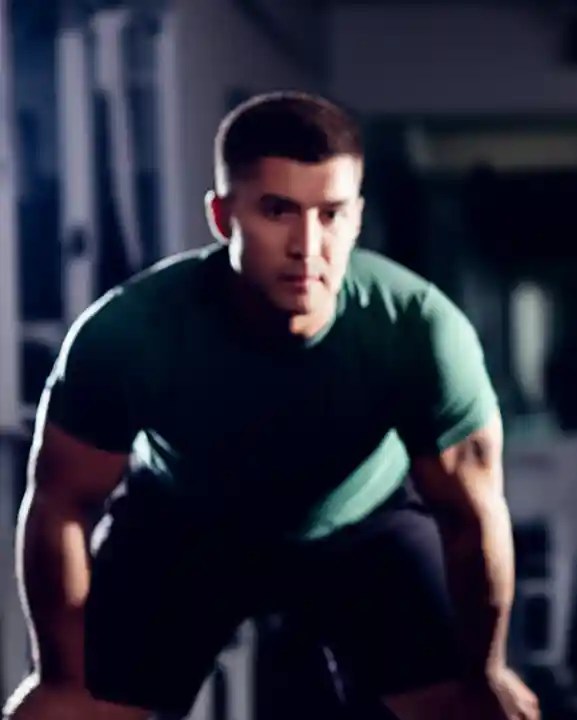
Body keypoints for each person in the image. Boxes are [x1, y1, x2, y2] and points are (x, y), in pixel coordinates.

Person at [3, 92, 540, 720]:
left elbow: (473, 514)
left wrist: (485, 671)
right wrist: (60, 678)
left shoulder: (418, 328)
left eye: (332, 214)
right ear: (222, 215)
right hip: (182, 527)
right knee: (63, 716)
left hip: (360, 527)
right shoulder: (128, 332)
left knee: (480, 711)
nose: (307, 245)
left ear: (358, 218)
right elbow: (61, 503)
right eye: (278, 210)